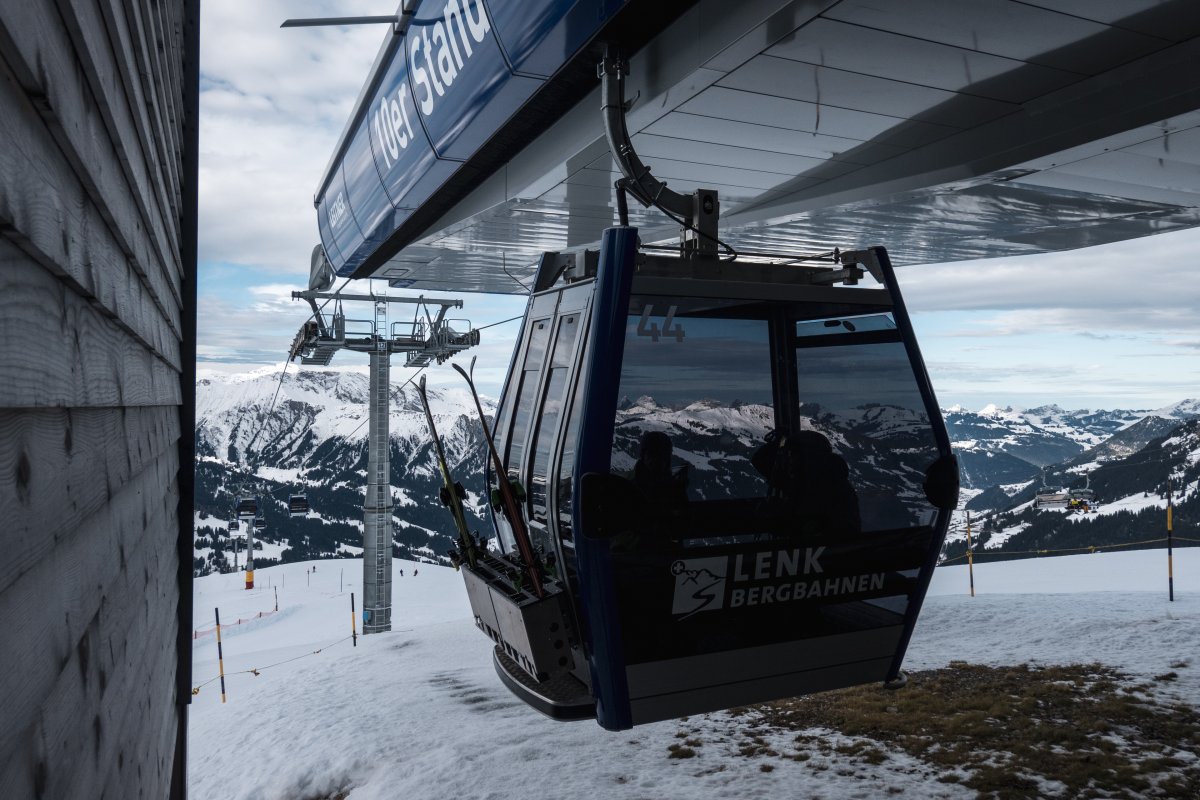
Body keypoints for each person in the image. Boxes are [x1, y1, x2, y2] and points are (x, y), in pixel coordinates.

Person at [752, 429, 860, 536]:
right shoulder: (802, 479)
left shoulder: (829, 489)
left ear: (809, 457)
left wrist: (777, 521)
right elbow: (760, 461)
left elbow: (807, 526)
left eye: (793, 455)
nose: (789, 460)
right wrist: (777, 444)